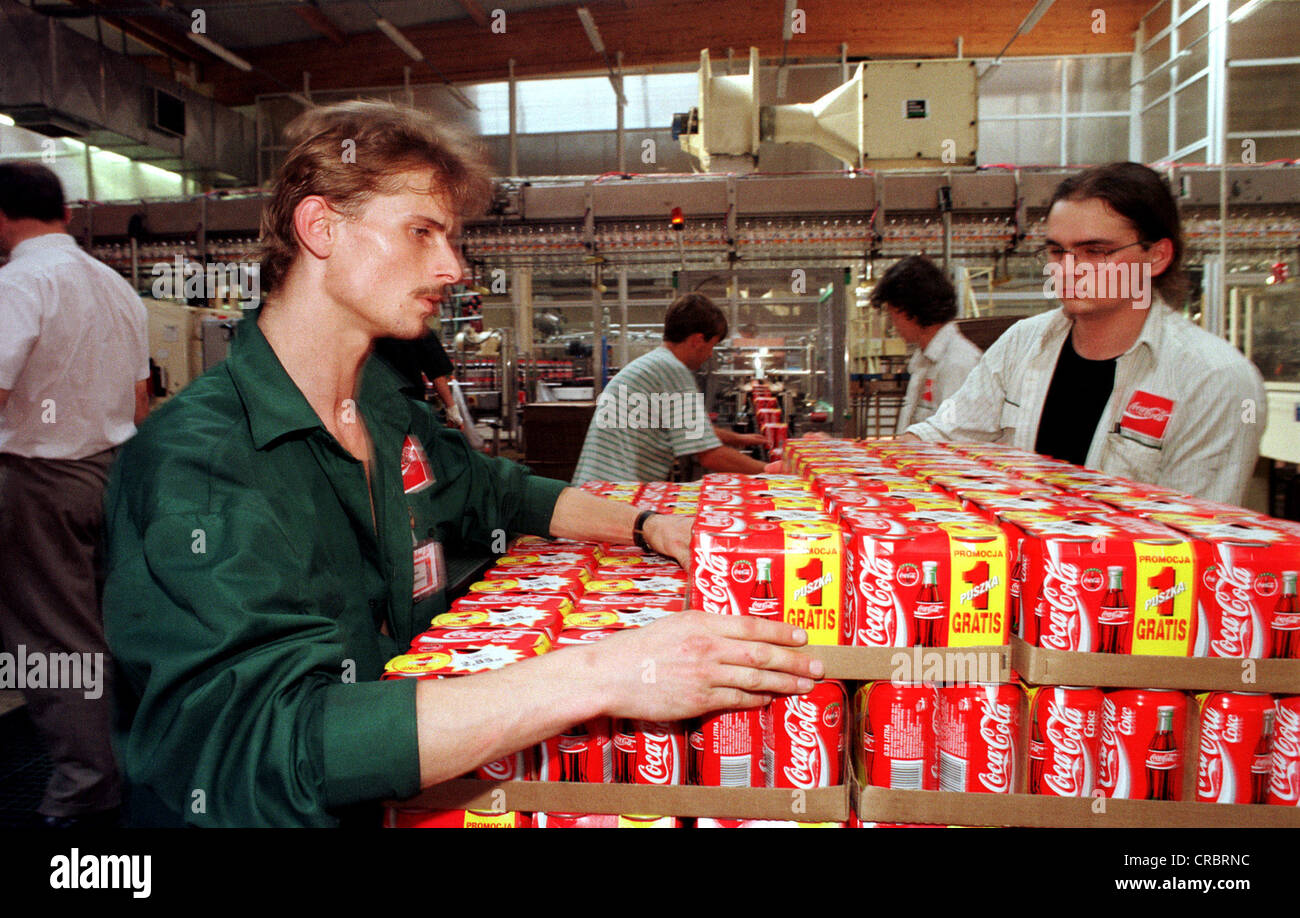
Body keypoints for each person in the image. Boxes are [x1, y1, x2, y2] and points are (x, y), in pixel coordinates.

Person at [101, 101, 822, 827]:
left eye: (452, 238)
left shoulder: (385, 411)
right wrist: (607, 671)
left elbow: (498, 493)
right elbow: (269, 744)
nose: (452, 267)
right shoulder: (202, 460)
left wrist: (647, 527)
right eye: (422, 233)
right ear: (319, 227)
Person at [904, 161, 1266, 506]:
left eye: (1095, 251)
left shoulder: (1214, 380)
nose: (1068, 270)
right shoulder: (1022, 344)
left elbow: (1197, 538)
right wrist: (857, 464)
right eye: (1057, 252)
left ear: (1156, 256)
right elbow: (943, 437)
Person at [0, 162, 150, 827]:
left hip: (39, 481)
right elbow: (142, 399)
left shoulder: (19, 282)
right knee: (106, 632)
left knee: (54, 646)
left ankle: (84, 792)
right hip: (112, 473)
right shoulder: (115, 285)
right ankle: (121, 767)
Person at [572, 292, 768, 485]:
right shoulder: (671, 369)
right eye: (712, 345)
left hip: (595, 489)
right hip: (614, 494)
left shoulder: (656, 363)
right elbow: (710, 456)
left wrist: (739, 438)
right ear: (697, 340)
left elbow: (692, 428)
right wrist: (773, 471)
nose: (710, 355)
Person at [870, 255, 982, 434]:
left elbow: (952, 438)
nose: (892, 325)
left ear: (908, 310)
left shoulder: (958, 363)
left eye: (892, 315)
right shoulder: (925, 359)